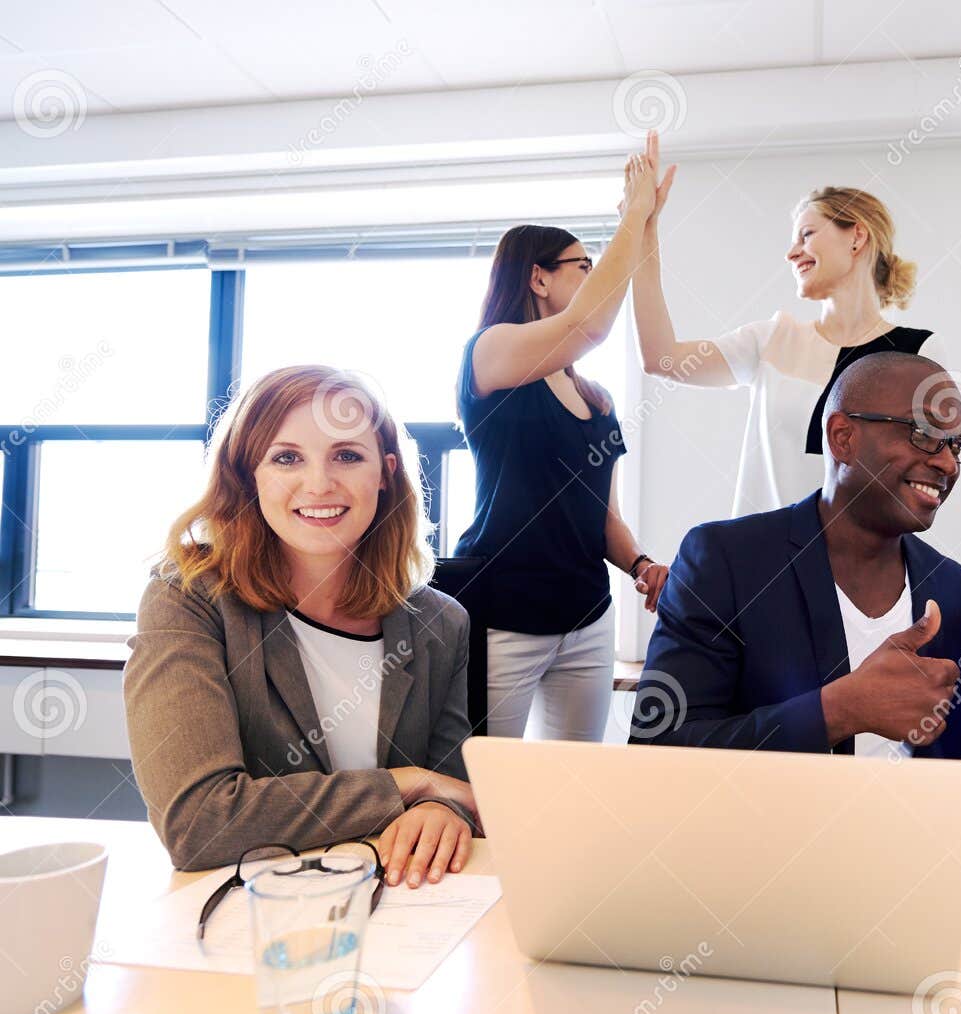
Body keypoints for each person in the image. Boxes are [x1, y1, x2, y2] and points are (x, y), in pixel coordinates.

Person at [629, 351, 961, 782]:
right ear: (843, 438)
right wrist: (838, 711)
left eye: (955, 444)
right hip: (764, 859)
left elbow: (950, 753)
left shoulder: (950, 586)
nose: (947, 462)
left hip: (901, 857)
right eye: (924, 434)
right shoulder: (725, 559)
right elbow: (659, 749)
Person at [126, 366, 478, 888]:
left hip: (401, 904)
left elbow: (456, 790)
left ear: (383, 473)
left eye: (347, 455)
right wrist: (405, 786)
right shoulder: (188, 598)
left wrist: (444, 814)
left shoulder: (441, 622)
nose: (319, 483)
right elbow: (199, 824)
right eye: (286, 457)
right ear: (249, 475)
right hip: (248, 915)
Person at [452, 149, 670, 742]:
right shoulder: (490, 352)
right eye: (583, 265)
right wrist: (635, 217)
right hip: (505, 616)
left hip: (588, 619)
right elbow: (591, 326)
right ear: (538, 276)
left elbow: (604, 518)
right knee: (489, 788)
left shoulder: (595, 397)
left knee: (573, 786)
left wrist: (642, 566)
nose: (592, 277)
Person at [631, 132, 950, 516]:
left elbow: (928, 472)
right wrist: (642, 227)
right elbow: (660, 358)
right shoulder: (771, 341)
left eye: (807, 234)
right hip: (765, 566)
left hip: (865, 568)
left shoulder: (919, 354)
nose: (791, 252)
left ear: (857, 236)